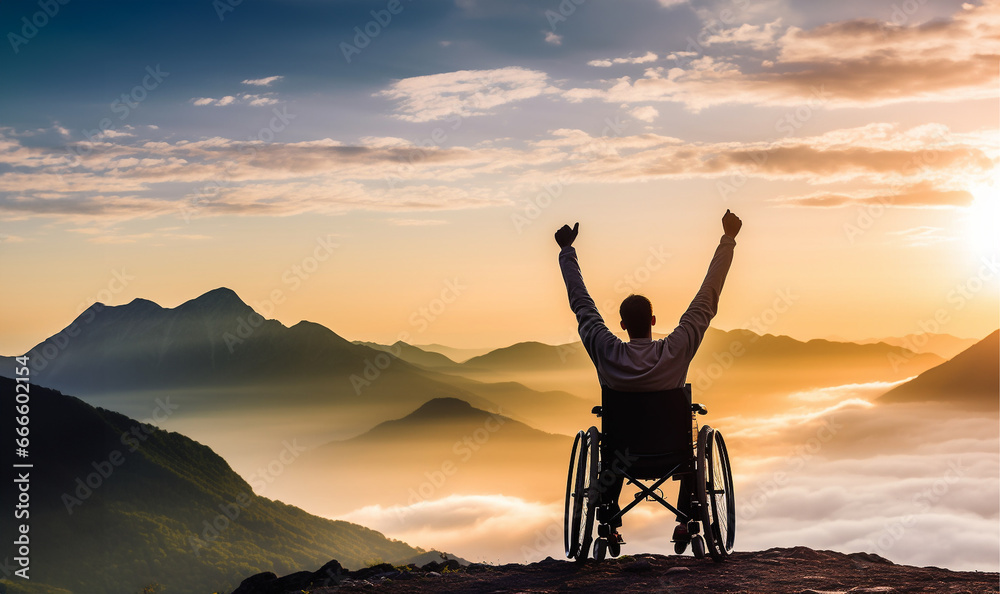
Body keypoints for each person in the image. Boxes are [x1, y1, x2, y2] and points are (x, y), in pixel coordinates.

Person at [555, 209, 741, 553]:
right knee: (692, 448)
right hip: (673, 454)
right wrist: (728, 240)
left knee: (609, 455)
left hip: (621, 456)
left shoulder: (606, 350)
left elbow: (581, 305)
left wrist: (567, 250)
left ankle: (608, 522)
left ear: (622, 324)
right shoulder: (676, 350)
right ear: (653, 320)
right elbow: (707, 298)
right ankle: (687, 520)